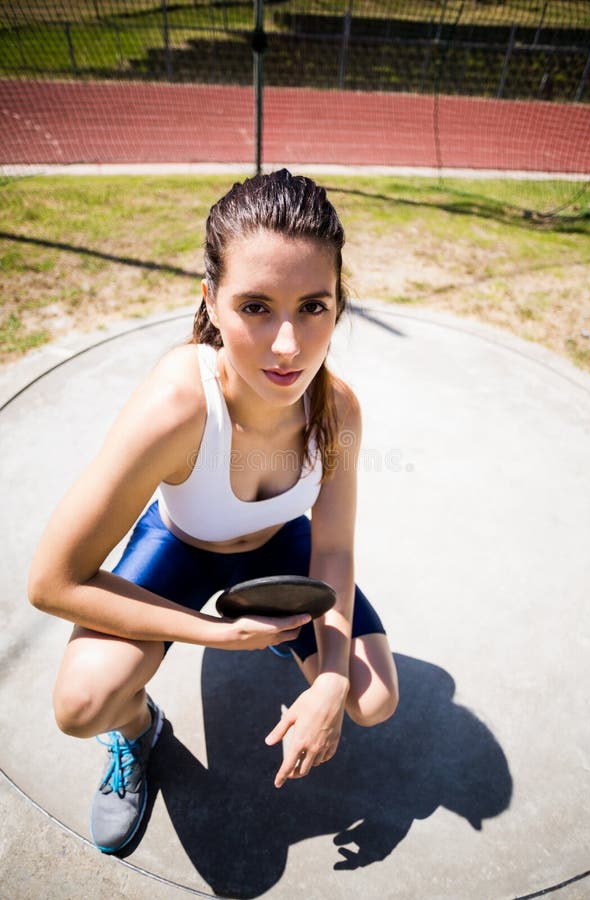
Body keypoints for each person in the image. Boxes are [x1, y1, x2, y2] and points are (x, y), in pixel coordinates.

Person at [28, 169, 399, 854]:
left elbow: (335, 550)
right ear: (212, 300)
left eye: (312, 306)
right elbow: (52, 581)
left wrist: (333, 682)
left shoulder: (338, 407)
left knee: (372, 702)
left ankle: (298, 651)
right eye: (256, 306)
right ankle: (141, 732)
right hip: (182, 543)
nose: (289, 346)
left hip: (281, 551)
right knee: (81, 705)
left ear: (338, 305)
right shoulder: (178, 406)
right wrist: (217, 634)